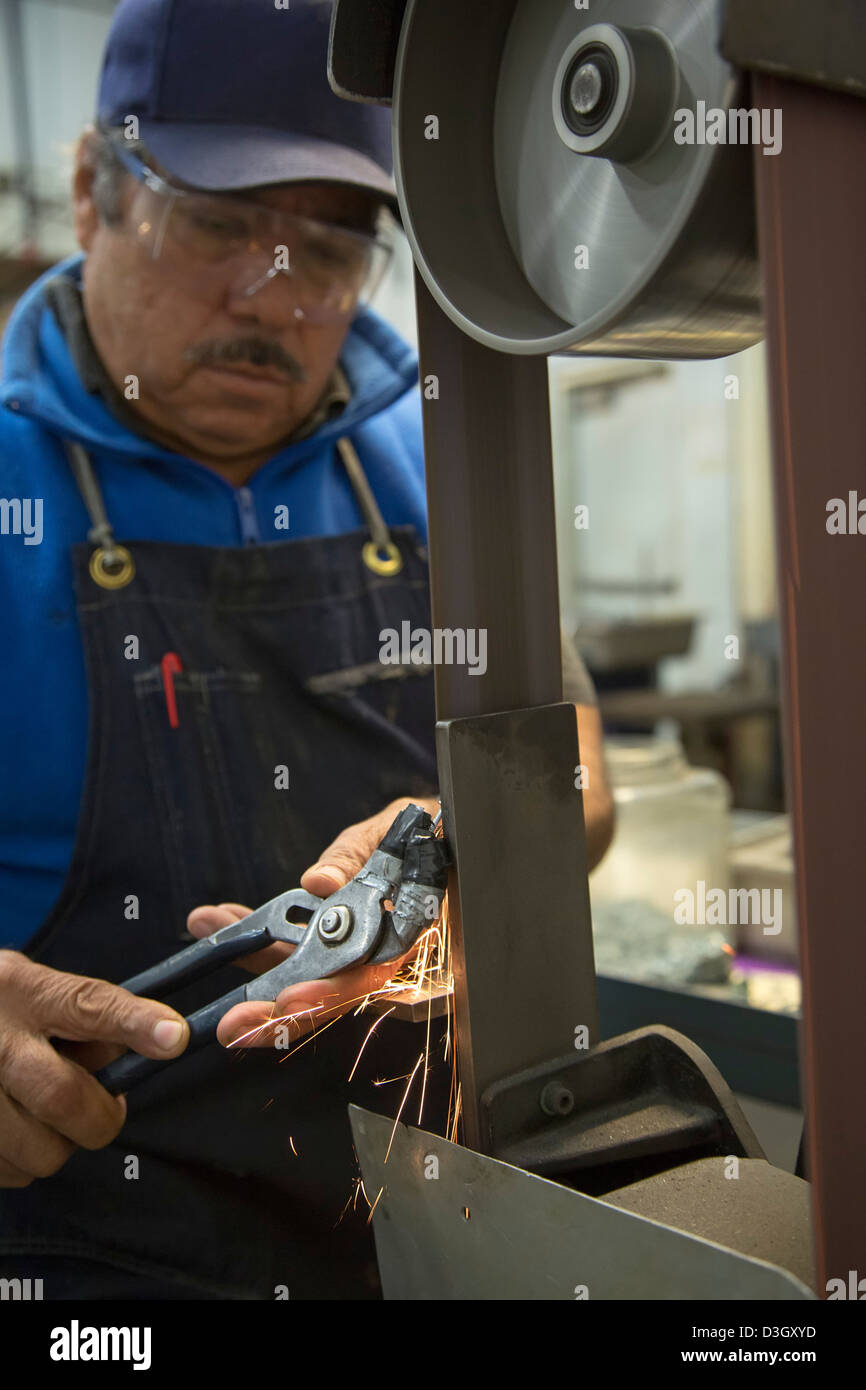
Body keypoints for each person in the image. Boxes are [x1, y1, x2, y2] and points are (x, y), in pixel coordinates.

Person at [0, 0, 614, 1299]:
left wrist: (459, 842)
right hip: (95, 1243)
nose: (271, 296)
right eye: (215, 223)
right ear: (93, 191)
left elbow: (580, 774)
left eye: (326, 250)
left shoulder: (441, 460)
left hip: (429, 1221)